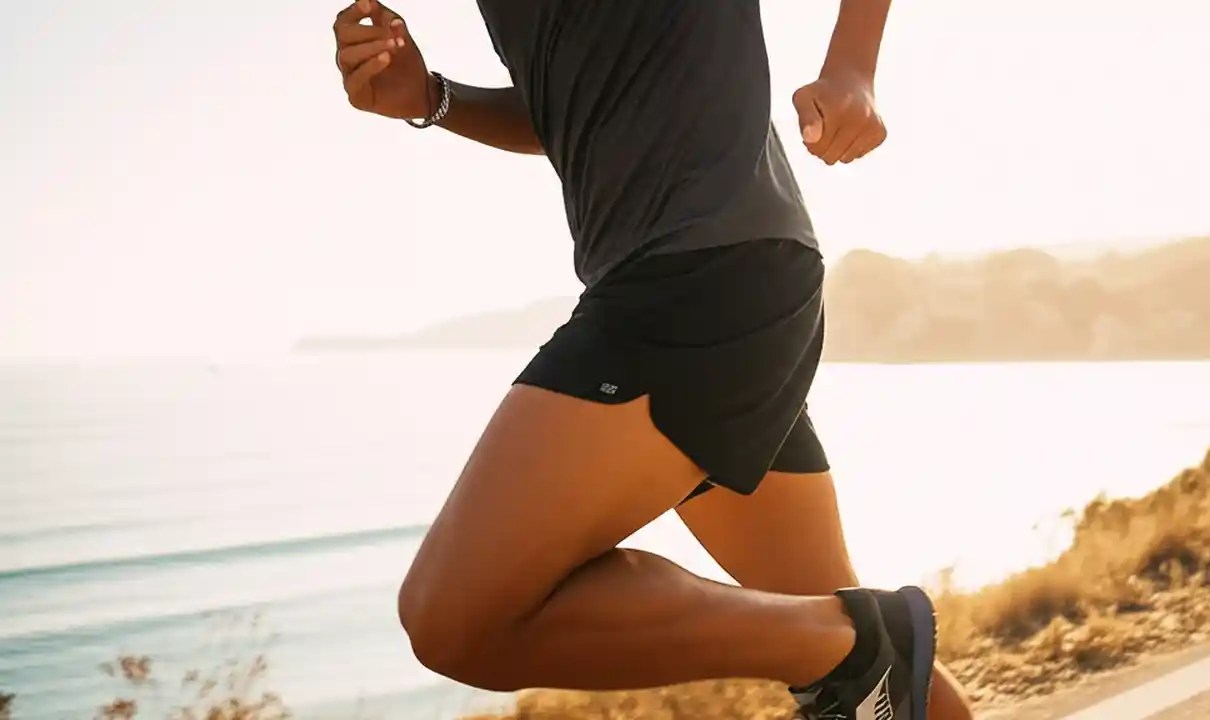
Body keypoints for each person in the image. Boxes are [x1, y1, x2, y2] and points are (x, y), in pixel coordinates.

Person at [331, 1, 973, 718]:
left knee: (453, 619)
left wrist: (852, 65)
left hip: (698, 280)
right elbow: (577, 105)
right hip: (716, 285)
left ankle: (840, 644)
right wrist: (435, 99)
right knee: (863, 653)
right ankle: (851, 644)